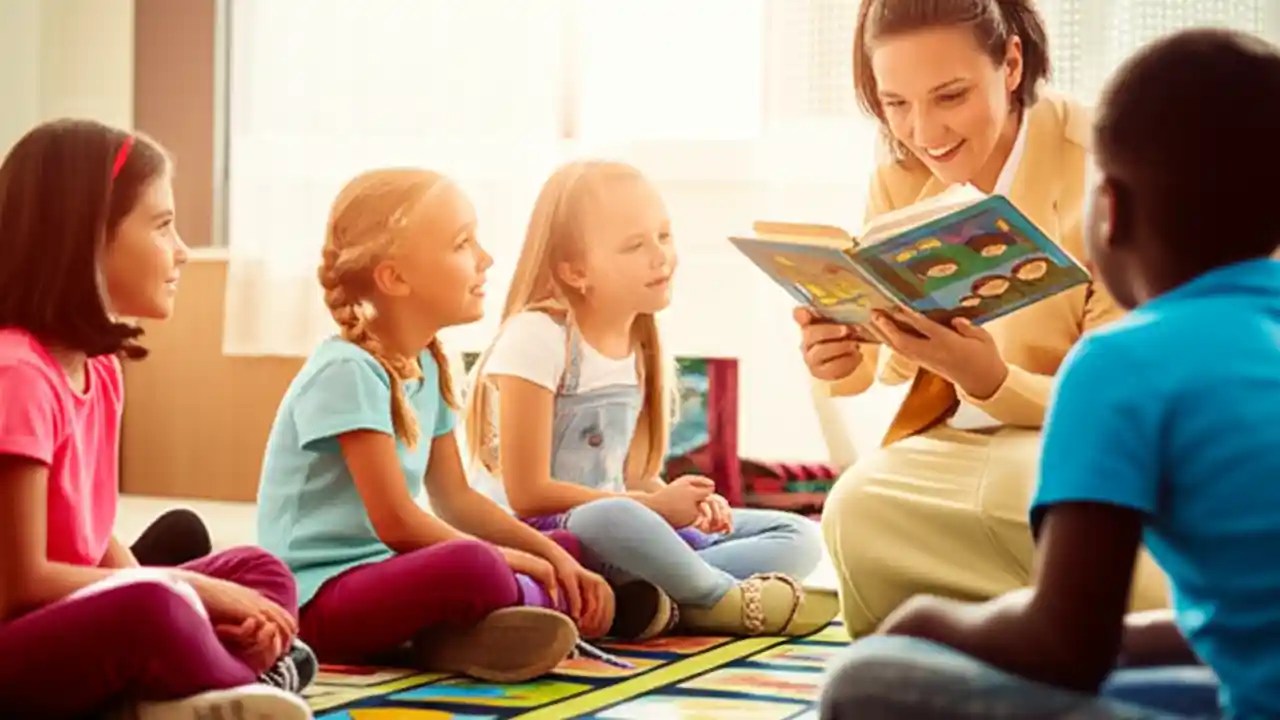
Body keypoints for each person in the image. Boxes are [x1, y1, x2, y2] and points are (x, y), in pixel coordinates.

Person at [820, 28, 1280, 719]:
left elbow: (1068, 646)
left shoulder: (1120, 362)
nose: (922, 128)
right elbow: (1233, 624)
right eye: (897, 103)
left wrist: (934, 624)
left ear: (1110, 211)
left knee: (867, 681)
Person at [800, 0, 1169, 638]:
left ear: (1012, 64)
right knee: (855, 508)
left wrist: (990, 378)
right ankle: (965, 650)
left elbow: (1122, 398)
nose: (924, 131)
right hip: (955, 445)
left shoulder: (1103, 163)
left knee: (1065, 505)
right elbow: (879, 369)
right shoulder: (899, 175)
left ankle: (1049, 631)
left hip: (1080, 434)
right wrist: (837, 354)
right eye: (896, 104)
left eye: (950, 96)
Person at [0, 120, 313, 719]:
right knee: (154, 608)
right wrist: (181, 590)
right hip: (17, 636)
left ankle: (185, 691)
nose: (183, 250)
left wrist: (194, 592)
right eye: (164, 225)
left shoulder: (102, 368)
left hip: (70, 618)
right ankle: (239, 687)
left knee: (257, 571)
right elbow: (21, 583)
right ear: (88, 236)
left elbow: (90, 543)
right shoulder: (17, 373)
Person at [256, 168, 619, 683]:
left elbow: (457, 498)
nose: (486, 259)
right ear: (395, 278)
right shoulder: (347, 371)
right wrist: (511, 560)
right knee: (477, 566)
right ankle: (477, 625)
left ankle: (464, 634)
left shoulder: (426, 363)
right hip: (316, 598)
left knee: (567, 551)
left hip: (384, 574)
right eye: (462, 243)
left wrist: (544, 557)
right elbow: (398, 522)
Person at [464, 160, 836, 637]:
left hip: (628, 532)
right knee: (611, 514)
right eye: (634, 246)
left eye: (663, 236)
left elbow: (634, 474)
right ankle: (717, 597)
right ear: (576, 270)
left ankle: (669, 597)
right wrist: (651, 509)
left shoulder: (639, 346)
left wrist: (687, 505)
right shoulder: (537, 336)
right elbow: (527, 492)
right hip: (547, 535)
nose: (660, 257)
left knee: (797, 536)